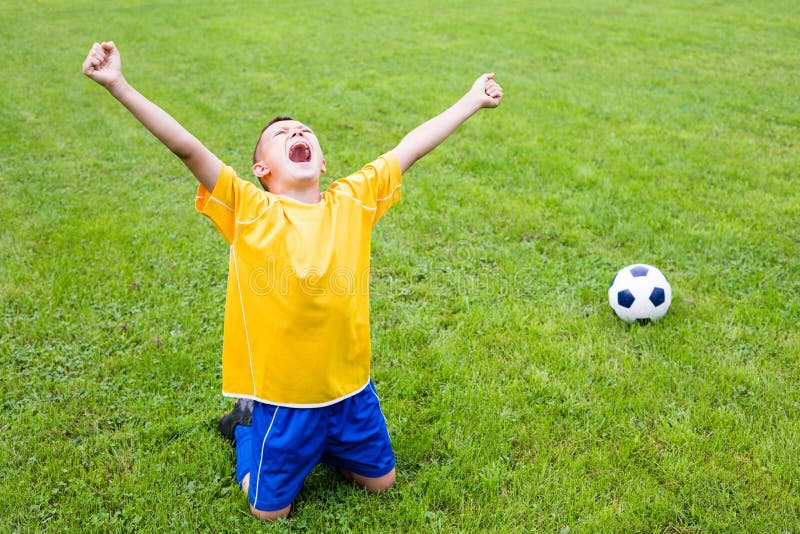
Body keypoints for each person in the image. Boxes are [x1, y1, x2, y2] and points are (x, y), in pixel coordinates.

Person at [82, 40, 503, 521]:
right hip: (285, 403)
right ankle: (247, 425)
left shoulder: (353, 199)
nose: (297, 132)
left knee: (382, 485)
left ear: (321, 163)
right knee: (269, 514)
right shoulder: (249, 210)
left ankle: (329, 446)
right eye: (282, 133)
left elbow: (410, 147)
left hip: (351, 394)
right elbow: (186, 148)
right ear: (261, 169)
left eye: (304, 130)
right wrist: (118, 85)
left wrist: (471, 100)